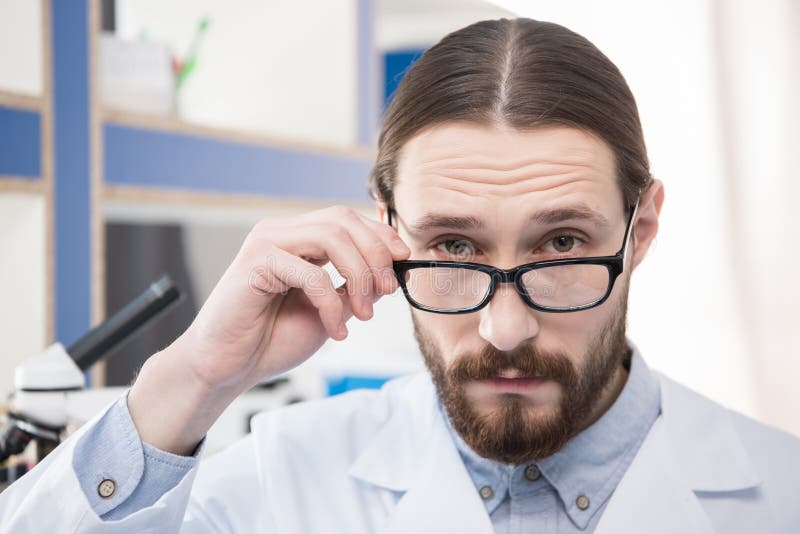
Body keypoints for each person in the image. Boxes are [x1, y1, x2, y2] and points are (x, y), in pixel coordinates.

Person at [1, 17, 798, 534]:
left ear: (640, 229)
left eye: (561, 244)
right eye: (453, 247)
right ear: (387, 228)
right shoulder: (280, 483)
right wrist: (194, 376)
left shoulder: (781, 493)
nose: (506, 330)